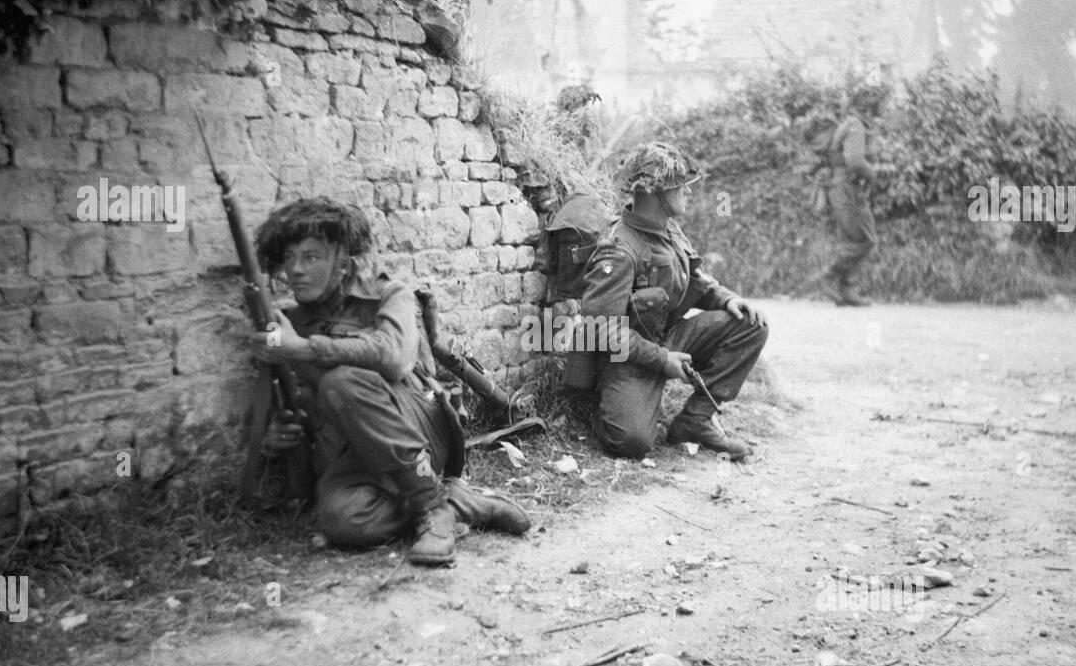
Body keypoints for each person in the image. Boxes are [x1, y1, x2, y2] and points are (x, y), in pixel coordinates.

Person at [244, 197, 531, 567]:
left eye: (311, 257)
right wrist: (273, 432)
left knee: (342, 382)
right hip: (356, 451)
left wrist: (302, 348)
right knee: (343, 521)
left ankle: (432, 508)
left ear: (342, 262)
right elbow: (274, 401)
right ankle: (457, 501)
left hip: (421, 430)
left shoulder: (388, 295)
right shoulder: (288, 324)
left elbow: (394, 358)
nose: (296, 270)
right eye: (289, 259)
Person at [579, 142, 769, 461]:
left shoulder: (669, 230)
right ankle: (605, 403)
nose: (688, 192)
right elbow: (600, 331)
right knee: (631, 443)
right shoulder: (618, 250)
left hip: (668, 337)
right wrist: (662, 359)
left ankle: (696, 420)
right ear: (655, 190)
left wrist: (726, 299)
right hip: (628, 356)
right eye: (681, 185)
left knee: (750, 325)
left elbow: (695, 277)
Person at [812, 85, 885, 307]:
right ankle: (826, 276)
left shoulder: (853, 124)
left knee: (852, 239)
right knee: (865, 239)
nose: (883, 108)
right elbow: (855, 162)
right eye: (879, 104)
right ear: (869, 107)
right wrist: (873, 175)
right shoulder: (855, 126)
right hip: (847, 189)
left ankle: (847, 290)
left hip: (843, 188)